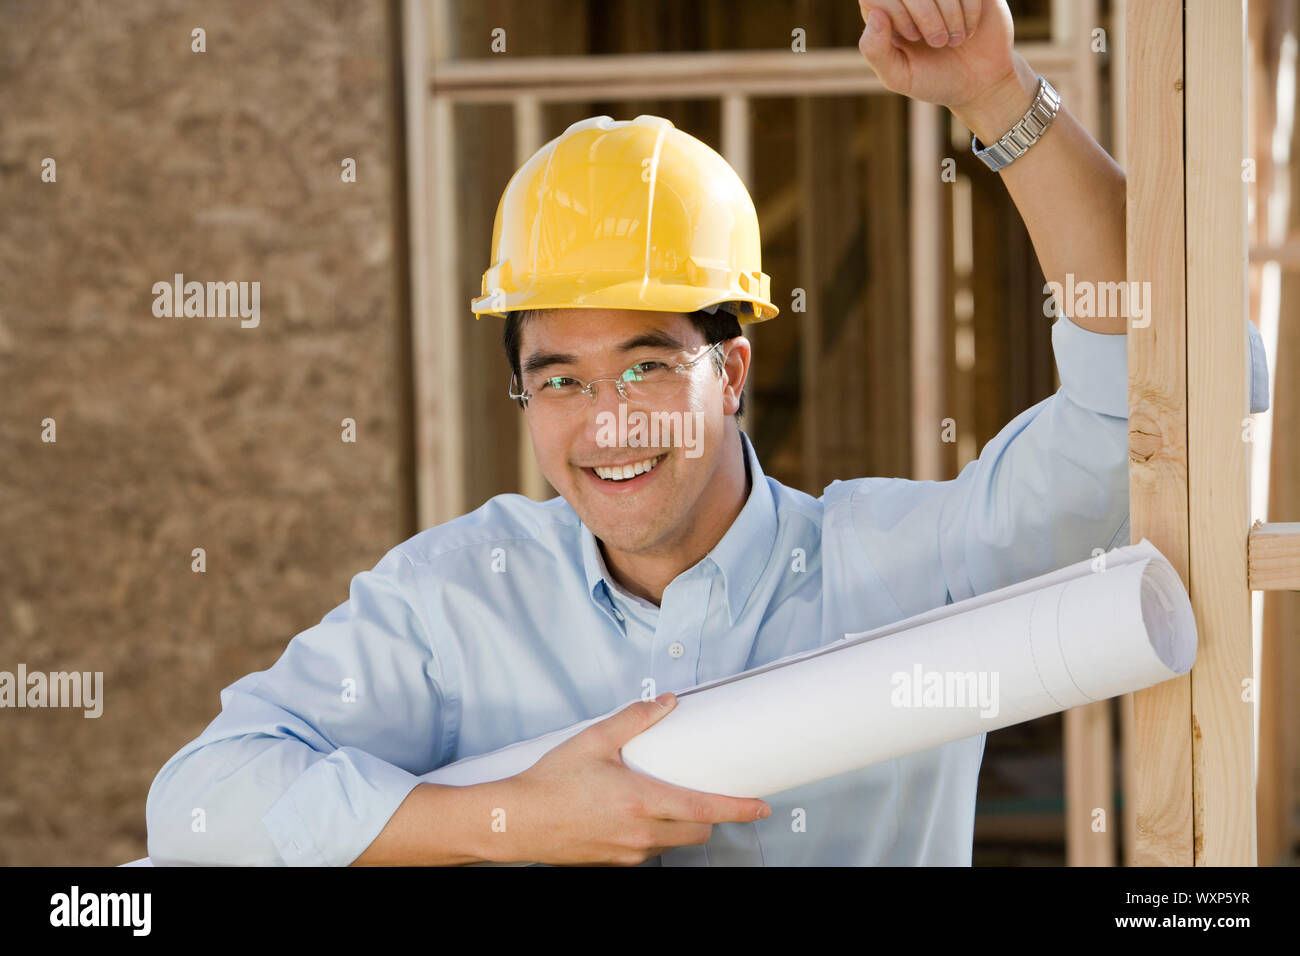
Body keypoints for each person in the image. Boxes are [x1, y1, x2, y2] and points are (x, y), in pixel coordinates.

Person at [145, 0, 1269, 866]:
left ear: (730, 369)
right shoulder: (454, 600)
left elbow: (1162, 391)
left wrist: (997, 97)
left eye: (646, 363)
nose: (610, 420)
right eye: (562, 380)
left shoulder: (905, 570)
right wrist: (511, 817)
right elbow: (201, 800)